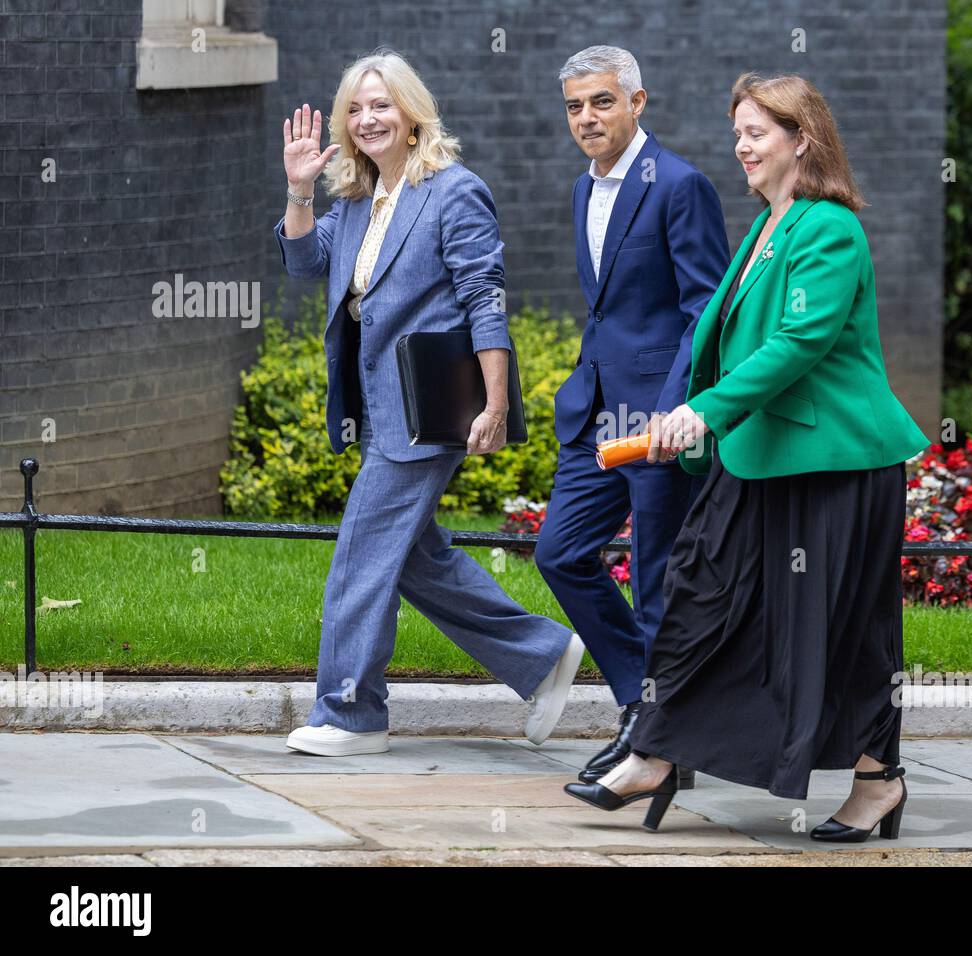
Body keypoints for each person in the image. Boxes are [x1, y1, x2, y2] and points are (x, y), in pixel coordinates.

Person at [564, 72, 930, 839]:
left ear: (802, 137)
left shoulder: (828, 228)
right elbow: (720, 337)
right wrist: (683, 410)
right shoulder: (768, 224)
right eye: (737, 133)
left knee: (854, 629)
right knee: (698, 598)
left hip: (834, 463)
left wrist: (702, 412)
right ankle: (656, 754)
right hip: (755, 454)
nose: (741, 147)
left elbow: (799, 343)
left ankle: (879, 782)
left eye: (756, 132)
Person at [273, 49, 584, 757]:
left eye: (381, 104)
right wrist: (299, 191)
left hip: (426, 412)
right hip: (376, 409)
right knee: (415, 558)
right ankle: (541, 654)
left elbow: (484, 297)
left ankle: (352, 715)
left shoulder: (453, 191)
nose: (367, 117)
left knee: (359, 554)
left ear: (413, 113)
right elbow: (304, 261)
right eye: (354, 108)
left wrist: (496, 404)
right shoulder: (357, 202)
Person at [534, 46, 730, 786]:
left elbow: (703, 306)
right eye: (576, 106)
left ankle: (655, 744)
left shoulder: (680, 185)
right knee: (560, 552)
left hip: (655, 419)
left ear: (637, 102)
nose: (587, 117)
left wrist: (674, 409)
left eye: (602, 102)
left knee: (655, 580)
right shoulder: (583, 190)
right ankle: (642, 707)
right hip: (594, 415)